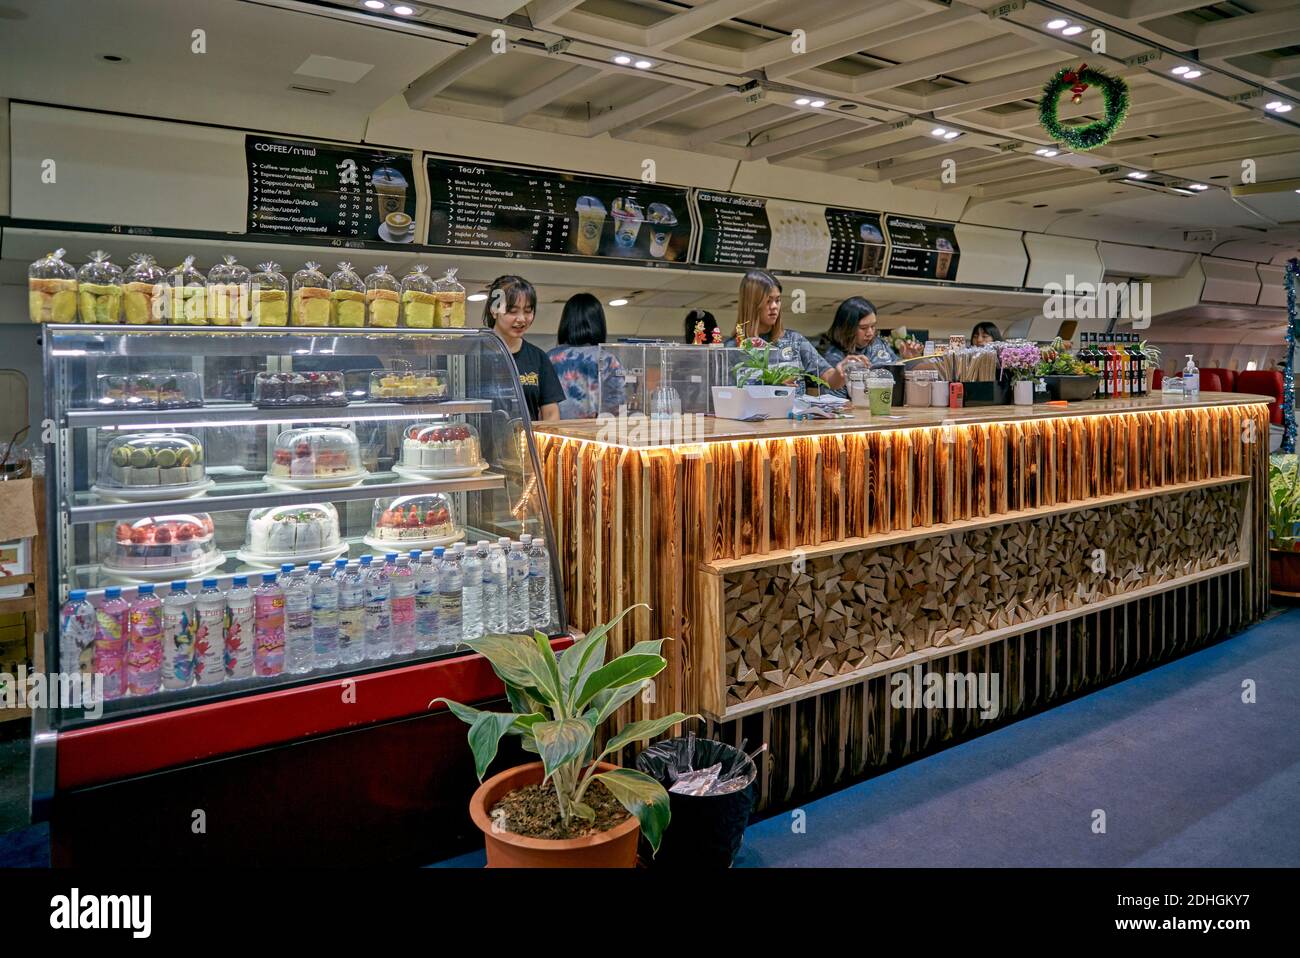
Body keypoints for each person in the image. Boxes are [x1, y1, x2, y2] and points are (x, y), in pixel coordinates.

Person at [732, 269, 862, 394]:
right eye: (767, 301)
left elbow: (829, 380)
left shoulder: (794, 340)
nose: (774, 307)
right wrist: (773, 387)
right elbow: (728, 398)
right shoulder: (732, 349)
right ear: (751, 305)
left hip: (794, 416)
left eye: (777, 300)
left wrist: (841, 372)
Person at [483, 275, 562, 421]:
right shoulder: (470, 352)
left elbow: (551, 412)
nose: (521, 319)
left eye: (527, 311)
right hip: (473, 442)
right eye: (512, 311)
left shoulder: (538, 358)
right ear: (494, 310)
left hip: (525, 443)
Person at [546, 293, 627, 419]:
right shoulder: (607, 360)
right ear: (598, 323)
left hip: (554, 434)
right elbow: (618, 407)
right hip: (594, 434)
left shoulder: (549, 359)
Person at [815, 297, 900, 397]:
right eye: (863, 328)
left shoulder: (879, 344)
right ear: (847, 328)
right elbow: (835, 403)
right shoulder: (832, 356)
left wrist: (910, 358)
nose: (870, 333)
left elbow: (900, 374)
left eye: (873, 326)